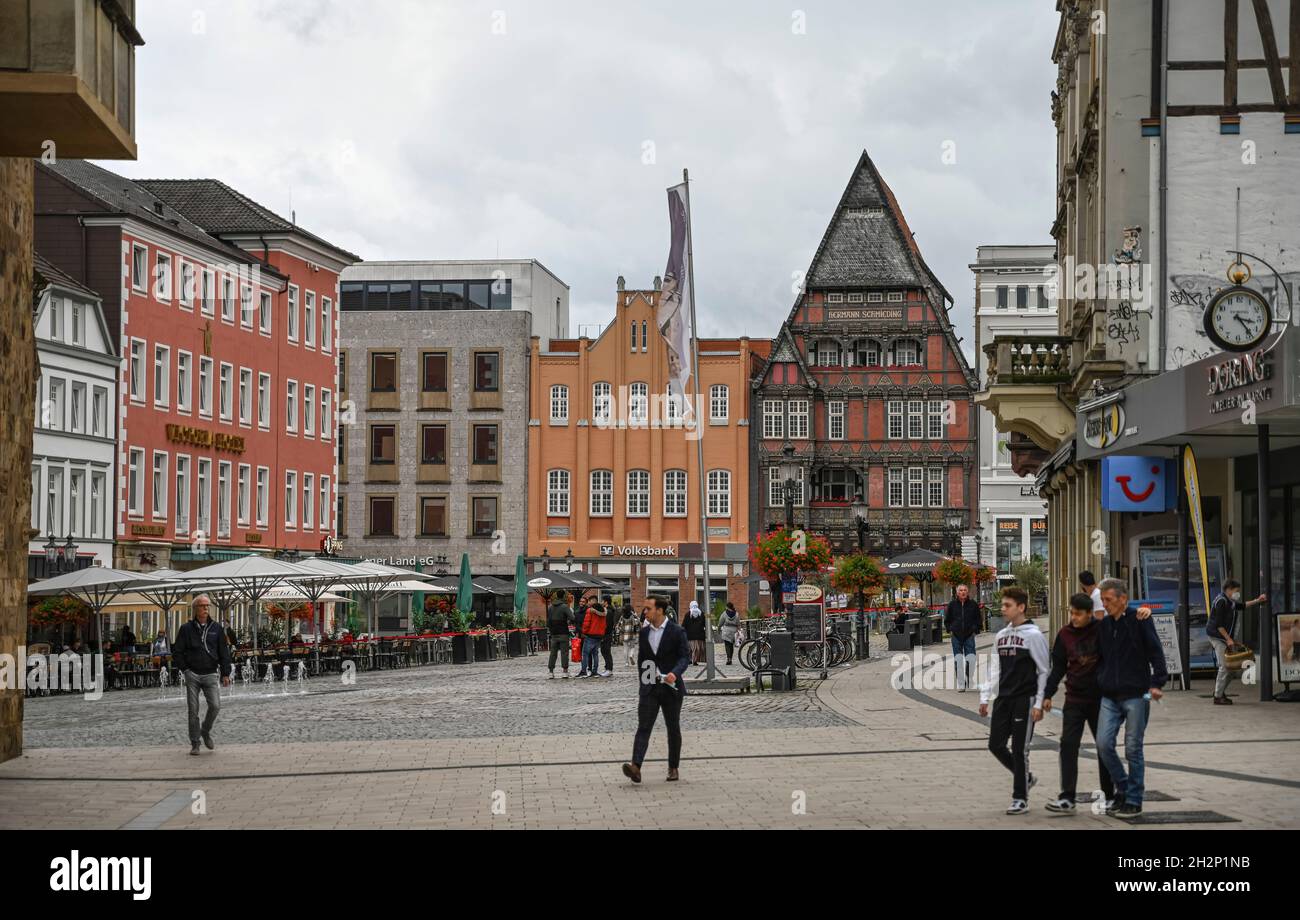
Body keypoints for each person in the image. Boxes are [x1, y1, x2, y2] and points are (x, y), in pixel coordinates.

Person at [1095, 577, 1168, 818]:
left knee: (1133, 748)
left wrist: (1157, 682)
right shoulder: (1104, 625)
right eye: (1102, 599)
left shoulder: (1140, 620)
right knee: (1104, 744)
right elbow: (1100, 658)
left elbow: (1156, 652)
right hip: (1109, 695)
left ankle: (1134, 799)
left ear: (1122, 598)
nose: (1104, 604)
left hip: (1137, 693)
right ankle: (1124, 787)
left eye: (1108, 599)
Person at [978, 587, 1050, 815]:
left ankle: (1020, 797)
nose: (1003, 609)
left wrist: (1038, 703)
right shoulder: (1001, 636)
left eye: (1007, 605)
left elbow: (1043, 670)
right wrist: (985, 696)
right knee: (995, 745)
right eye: (1003, 605)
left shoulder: (1034, 635)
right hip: (1004, 698)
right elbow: (994, 668)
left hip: (1024, 699)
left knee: (1020, 749)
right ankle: (1026, 778)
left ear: (1021, 607)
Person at [1041, 593, 1115, 814]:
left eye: (1078, 614)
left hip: (1100, 700)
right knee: (1068, 745)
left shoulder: (1102, 630)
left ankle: (1109, 795)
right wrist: (1047, 694)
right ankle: (1067, 797)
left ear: (1090, 614)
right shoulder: (1064, 634)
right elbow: (1058, 668)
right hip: (1074, 699)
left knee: (1104, 747)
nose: (1074, 617)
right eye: (1071, 613)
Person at [622, 596, 690, 783]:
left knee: (673, 728)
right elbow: (643, 661)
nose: (645, 612)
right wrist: (644, 683)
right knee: (643, 727)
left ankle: (673, 767)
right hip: (650, 688)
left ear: (659, 610)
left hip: (671, 688)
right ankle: (636, 767)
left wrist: (675, 673)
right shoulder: (644, 633)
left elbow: (685, 657)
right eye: (644, 609)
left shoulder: (677, 631)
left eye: (648, 608)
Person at [172, 594, 232, 755]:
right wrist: (185, 670)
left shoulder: (216, 629)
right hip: (193, 674)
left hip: (211, 673)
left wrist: (225, 673)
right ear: (195, 609)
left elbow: (224, 652)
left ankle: (205, 730)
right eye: (202, 606)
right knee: (193, 710)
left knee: (215, 705)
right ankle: (195, 743)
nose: (206, 608)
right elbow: (177, 652)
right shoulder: (186, 629)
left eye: (208, 606)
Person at [1205, 579, 1265, 705]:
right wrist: (1229, 640)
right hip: (1218, 637)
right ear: (1229, 589)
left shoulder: (1229, 601)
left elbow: (1242, 606)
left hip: (1224, 637)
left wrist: (1257, 600)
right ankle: (1217, 696)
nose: (1238, 593)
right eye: (1236, 591)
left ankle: (1220, 692)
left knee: (1232, 667)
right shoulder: (1221, 601)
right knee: (1225, 666)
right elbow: (1219, 625)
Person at [944, 583, 981, 691]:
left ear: (967, 592)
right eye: (960, 590)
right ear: (957, 592)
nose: (963, 592)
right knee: (958, 659)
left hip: (969, 635)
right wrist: (950, 630)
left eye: (965, 590)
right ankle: (961, 683)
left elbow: (978, 619)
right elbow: (947, 620)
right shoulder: (952, 605)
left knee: (971, 658)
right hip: (956, 635)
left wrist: (975, 630)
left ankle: (969, 680)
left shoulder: (973, 604)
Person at [545, 593, 575, 679]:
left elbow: (548, 622)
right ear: (564, 597)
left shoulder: (550, 607)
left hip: (554, 633)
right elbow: (572, 618)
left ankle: (551, 672)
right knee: (564, 653)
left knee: (553, 653)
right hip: (563, 633)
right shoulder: (565, 607)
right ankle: (565, 672)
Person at [579, 602, 608, 678]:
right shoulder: (604, 612)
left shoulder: (590, 611)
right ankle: (595, 671)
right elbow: (604, 625)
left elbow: (586, 623)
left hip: (590, 635)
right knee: (595, 654)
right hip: (599, 636)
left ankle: (583, 671)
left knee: (585, 654)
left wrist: (583, 632)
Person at [683, 600, 707, 664]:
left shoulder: (688, 614)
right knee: (697, 649)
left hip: (689, 635)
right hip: (700, 635)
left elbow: (684, 625)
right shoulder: (701, 613)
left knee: (690, 648)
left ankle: (690, 659)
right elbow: (705, 624)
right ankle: (695, 660)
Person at [600, 601, 620, 673]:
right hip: (607, 634)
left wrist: (603, 634)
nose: (601, 602)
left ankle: (609, 669)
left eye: (602, 601)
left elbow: (607, 624)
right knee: (605, 651)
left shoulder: (608, 611)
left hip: (606, 634)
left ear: (606, 602)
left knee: (606, 651)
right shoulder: (609, 610)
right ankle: (607, 667)